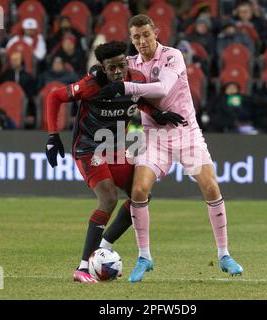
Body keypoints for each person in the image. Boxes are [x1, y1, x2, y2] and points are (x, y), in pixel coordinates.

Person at [96, 14, 243, 282]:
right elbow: (103, 74)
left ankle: (224, 254)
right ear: (132, 39)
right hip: (153, 136)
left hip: (186, 133)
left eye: (146, 35)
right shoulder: (130, 64)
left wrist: (123, 86)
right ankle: (144, 257)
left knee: (210, 186)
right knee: (139, 191)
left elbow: (162, 89)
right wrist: (98, 72)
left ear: (156, 33)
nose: (142, 41)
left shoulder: (172, 55)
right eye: (136, 37)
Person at [45, 41, 184, 284]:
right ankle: (83, 267)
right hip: (89, 148)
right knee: (108, 199)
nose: (118, 71)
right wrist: (52, 136)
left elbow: (139, 99)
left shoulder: (136, 79)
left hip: (117, 147)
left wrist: (156, 114)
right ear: (102, 67)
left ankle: (104, 247)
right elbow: (54, 97)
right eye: (112, 68)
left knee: (141, 197)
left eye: (121, 65)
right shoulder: (90, 85)